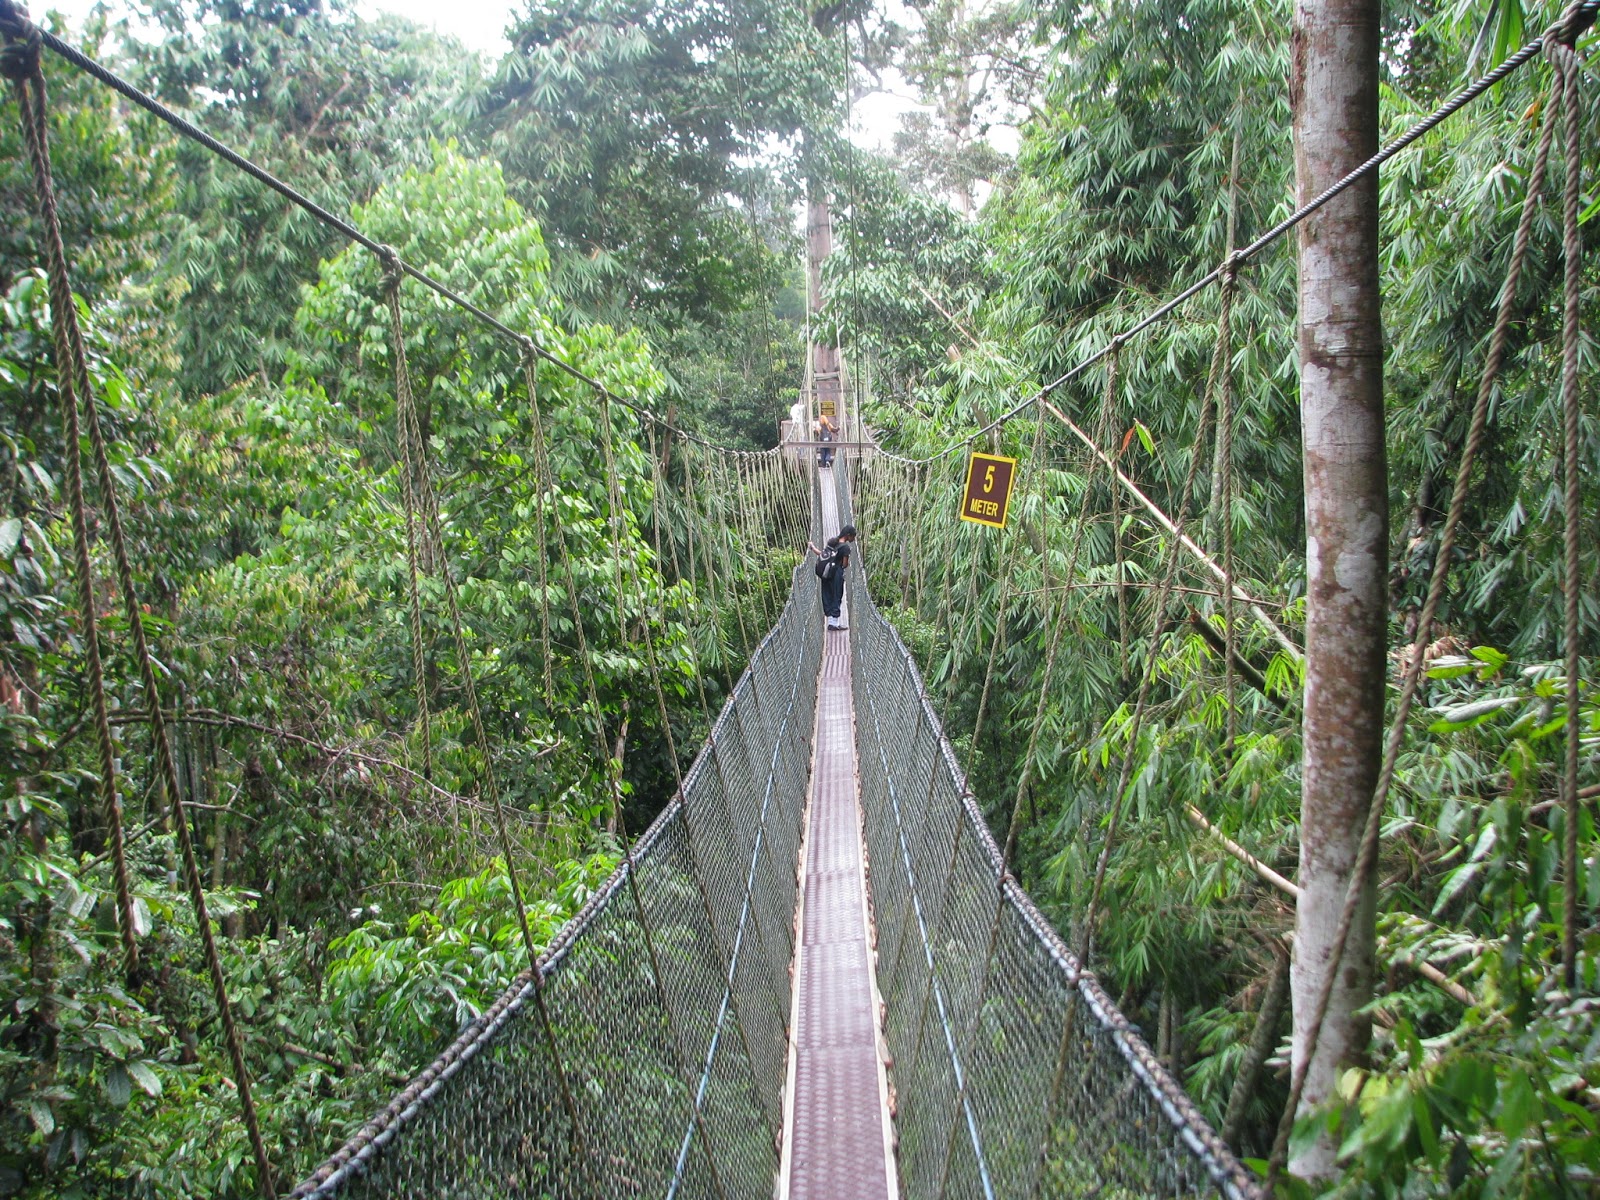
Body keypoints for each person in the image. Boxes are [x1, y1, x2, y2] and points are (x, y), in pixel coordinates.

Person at [808, 524, 857, 631]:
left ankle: (831, 622)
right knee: (836, 595)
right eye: (853, 536)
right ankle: (834, 624)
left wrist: (812, 548)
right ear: (848, 536)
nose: (854, 538)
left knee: (827, 595)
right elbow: (845, 564)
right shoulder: (845, 548)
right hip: (836, 574)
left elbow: (823, 554)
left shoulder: (832, 542)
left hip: (826, 573)